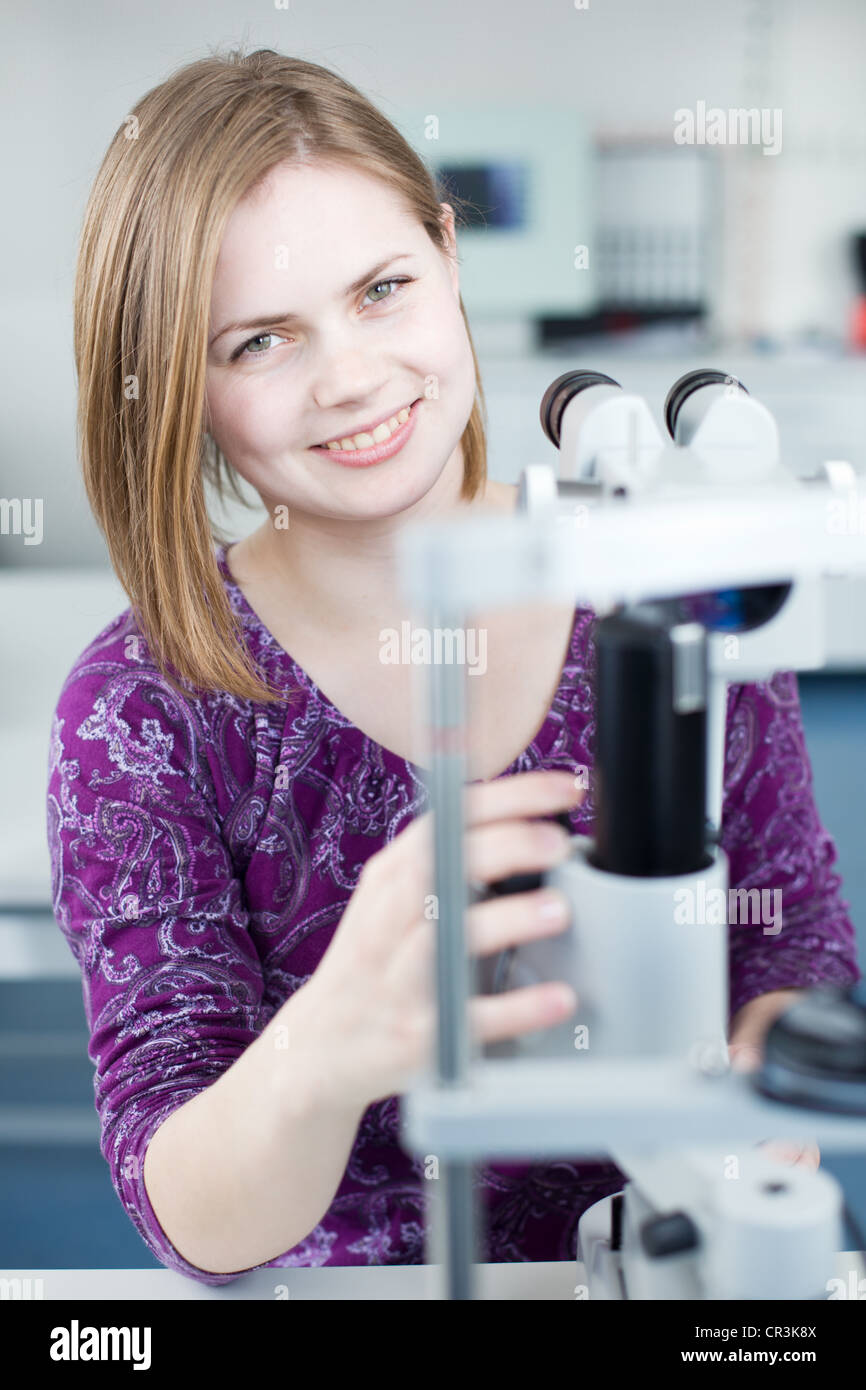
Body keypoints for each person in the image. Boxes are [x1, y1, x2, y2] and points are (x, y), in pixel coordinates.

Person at [47, 45, 860, 1286]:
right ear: (178, 390)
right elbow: (188, 1205)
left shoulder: (668, 592)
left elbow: (788, 942)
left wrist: (754, 1121)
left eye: (381, 289)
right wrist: (327, 1040)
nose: (352, 377)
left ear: (446, 252)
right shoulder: (142, 712)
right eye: (260, 341)